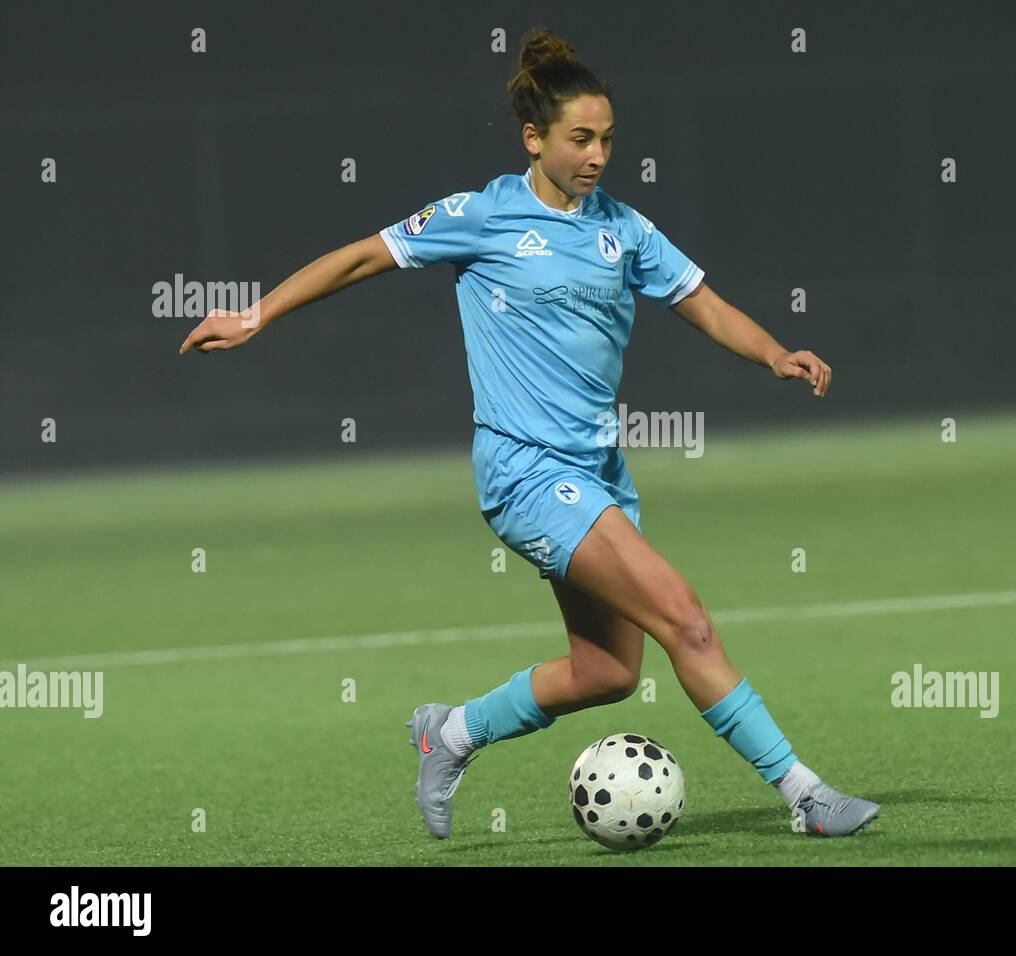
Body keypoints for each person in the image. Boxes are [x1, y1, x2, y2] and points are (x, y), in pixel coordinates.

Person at [179, 27, 879, 841]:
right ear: (533, 138)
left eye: (608, 139)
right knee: (685, 620)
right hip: (525, 473)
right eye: (581, 138)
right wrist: (258, 313)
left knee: (609, 672)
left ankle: (448, 733)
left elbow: (703, 301)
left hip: (599, 472)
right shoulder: (482, 215)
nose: (597, 154)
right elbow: (362, 259)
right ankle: (804, 795)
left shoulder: (622, 228)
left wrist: (773, 353)